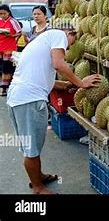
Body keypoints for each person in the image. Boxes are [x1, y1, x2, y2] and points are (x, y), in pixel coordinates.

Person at [7, 26, 101, 194]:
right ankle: (38, 188)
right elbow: (58, 64)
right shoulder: (58, 35)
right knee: (31, 149)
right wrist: (81, 83)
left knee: (32, 145)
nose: (68, 48)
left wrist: (68, 85)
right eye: (70, 43)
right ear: (69, 34)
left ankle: (39, 176)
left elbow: (43, 78)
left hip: (19, 97)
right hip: (29, 100)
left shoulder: (40, 43)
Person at [0, 4, 22, 96]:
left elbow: (20, 33)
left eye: (4, 13)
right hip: (1, 46)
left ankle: (5, 87)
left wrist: (11, 36)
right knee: (1, 67)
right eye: (0, 14)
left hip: (9, 47)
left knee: (7, 68)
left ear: (8, 12)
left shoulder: (13, 21)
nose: (2, 15)